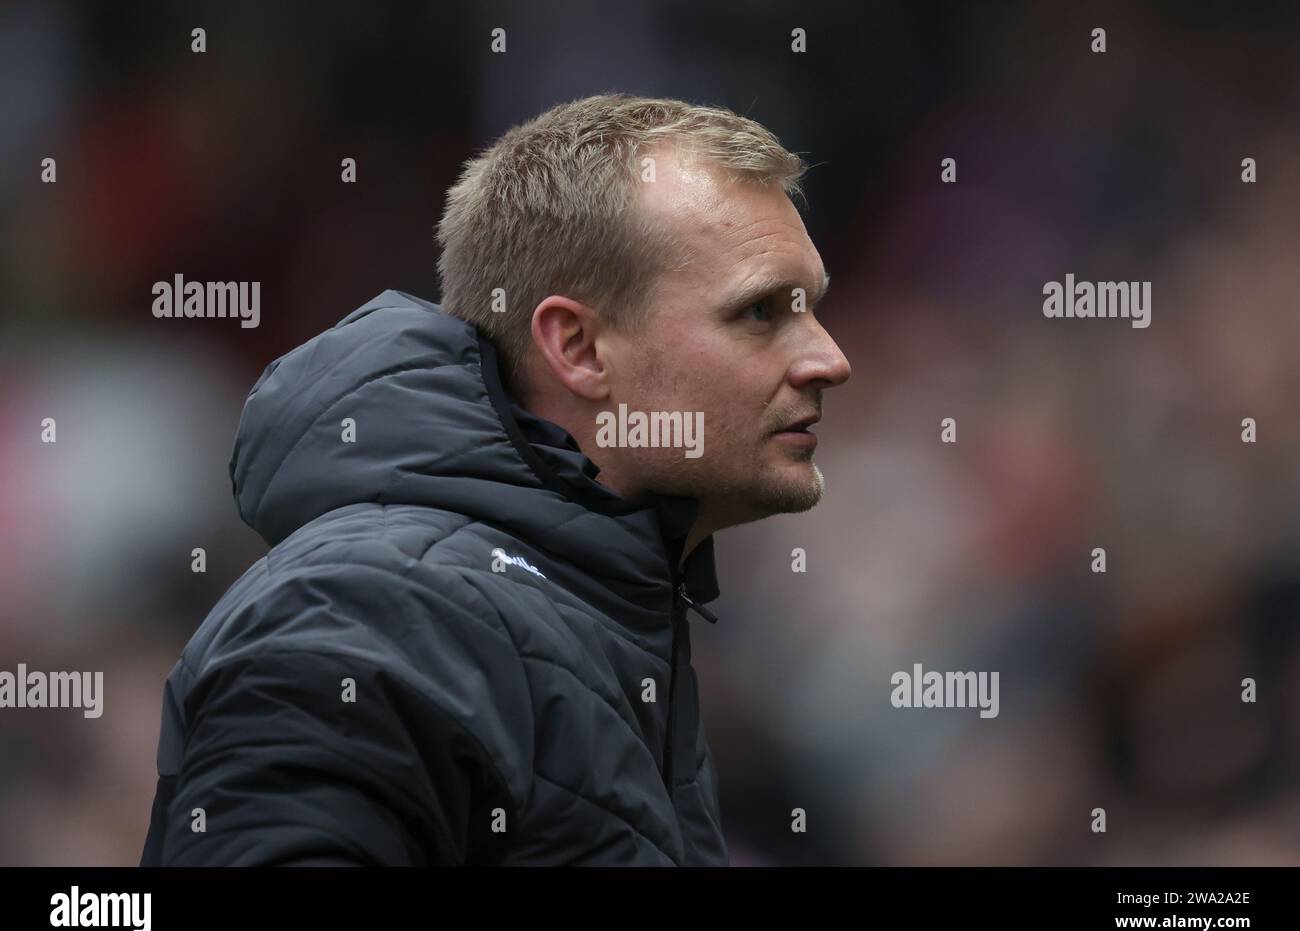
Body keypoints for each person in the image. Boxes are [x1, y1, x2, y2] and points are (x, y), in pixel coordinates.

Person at [139, 93, 851, 866]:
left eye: (811, 308)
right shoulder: (371, 608)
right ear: (577, 347)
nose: (829, 359)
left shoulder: (589, 608)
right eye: (759, 313)